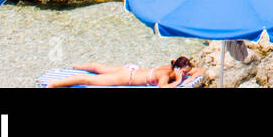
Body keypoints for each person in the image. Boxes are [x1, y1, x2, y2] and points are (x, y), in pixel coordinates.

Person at [47, 57, 193, 88]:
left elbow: (197, 70)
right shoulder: (165, 75)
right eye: (185, 73)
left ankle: (77, 65)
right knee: (86, 80)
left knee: (101, 68)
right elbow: (162, 87)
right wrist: (178, 81)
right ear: (178, 70)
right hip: (126, 77)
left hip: (130, 69)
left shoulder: (168, 67)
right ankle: (54, 83)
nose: (185, 75)